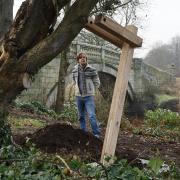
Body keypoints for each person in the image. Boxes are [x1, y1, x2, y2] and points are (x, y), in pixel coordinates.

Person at [72, 52, 101, 138]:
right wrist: (76, 89)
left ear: (86, 59)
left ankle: (96, 133)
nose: (83, 59)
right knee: (81, 116)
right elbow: (74, 81)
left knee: (92, 116)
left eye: (84, 57)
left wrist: (91, 90)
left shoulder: (92, 69)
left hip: (89, 97)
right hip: (78, 97)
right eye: (81, 58)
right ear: (78, 60)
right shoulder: (74, 70)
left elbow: (97, 82)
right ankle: (83, 133)